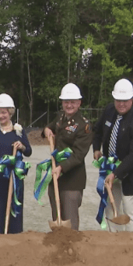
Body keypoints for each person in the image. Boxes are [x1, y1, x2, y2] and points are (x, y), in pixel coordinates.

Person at [92, 78, 133, 232]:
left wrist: (116, 173)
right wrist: (96, 149)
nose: (121, 104)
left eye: (125, 100)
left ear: (132, 99)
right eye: (118, 100)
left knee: (130, 211)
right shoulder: (109, 111)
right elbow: (97, 130)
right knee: (111, 207)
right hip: (111, 170)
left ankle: (132, 244)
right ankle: (114, 240)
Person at [41, 83, 92, 230]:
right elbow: (50, 127)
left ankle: (72, 251)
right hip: (56, 177)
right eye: (66, 102)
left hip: (72, 179)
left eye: (72, 102)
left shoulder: (84, 125)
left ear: (79, 103)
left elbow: (78, 155)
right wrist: (46, 130)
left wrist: (61, 168)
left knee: (70, 222)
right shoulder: (60, 117)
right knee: (57, 218)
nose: (69, 105)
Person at [0, 93, 32, 234]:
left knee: (13, 205)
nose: (1, 116)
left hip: (13, 176)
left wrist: (21, 146)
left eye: (4, 112)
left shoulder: (18, 130)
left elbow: (28, 151)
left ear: (10, 113)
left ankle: (14, 235)